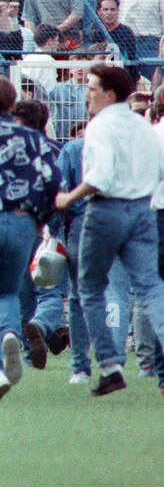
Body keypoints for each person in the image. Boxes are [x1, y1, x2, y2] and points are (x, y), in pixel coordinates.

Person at [54, 64, 164, 396]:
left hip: (106, 210)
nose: (86, 94)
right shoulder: (145, 126)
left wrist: (67, 198)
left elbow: (99, 177)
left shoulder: (100, 127)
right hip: (143, 209)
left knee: (89, 288)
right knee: (149, 287)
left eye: (91, 88)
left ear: (109, 94)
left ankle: (110, 364)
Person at [0, 75, 62, 402]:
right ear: (12, 101)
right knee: (8, 291)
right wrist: (41, 219)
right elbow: (52, 179)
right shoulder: (32, 139)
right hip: (21, 222)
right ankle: (9, 333)